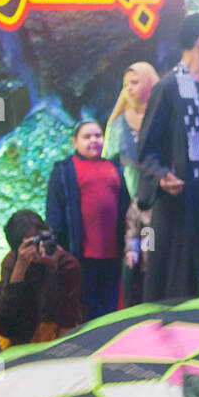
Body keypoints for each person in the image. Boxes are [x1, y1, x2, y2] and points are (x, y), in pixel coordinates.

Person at [135, 12, 199, 301]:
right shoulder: (168, 88)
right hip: (179, 206)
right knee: (177, 287)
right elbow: (147, 150)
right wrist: (162, 176)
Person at [46, 119, 130, 320]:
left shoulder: (114, 167)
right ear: (75, 142)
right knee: (86, 308)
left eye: (98, 136)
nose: (94, 140)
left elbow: (127, 208)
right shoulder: (63, 170)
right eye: (87, 136)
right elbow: (54, 211)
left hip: (112, 254)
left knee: (110, 305)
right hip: (79, 255)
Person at [104, 61, 159, 306]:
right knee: (134, 260)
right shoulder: (118, 125)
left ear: (149, 82)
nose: (130, 89)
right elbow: (109, 160)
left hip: (162, 198)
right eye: (126, 85)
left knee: (156, 254)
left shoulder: (162, 115)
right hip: (130, 203)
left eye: (135, 82)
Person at [0, 209, 83, 345]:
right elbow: (5, 316)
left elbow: (59, 317)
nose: (39, 245)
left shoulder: (66, 264)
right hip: (20, 336)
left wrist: (51, 269)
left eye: (41, 238)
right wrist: (20, 271)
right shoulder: (12, 262)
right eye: (31, 242)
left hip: (57, 335)